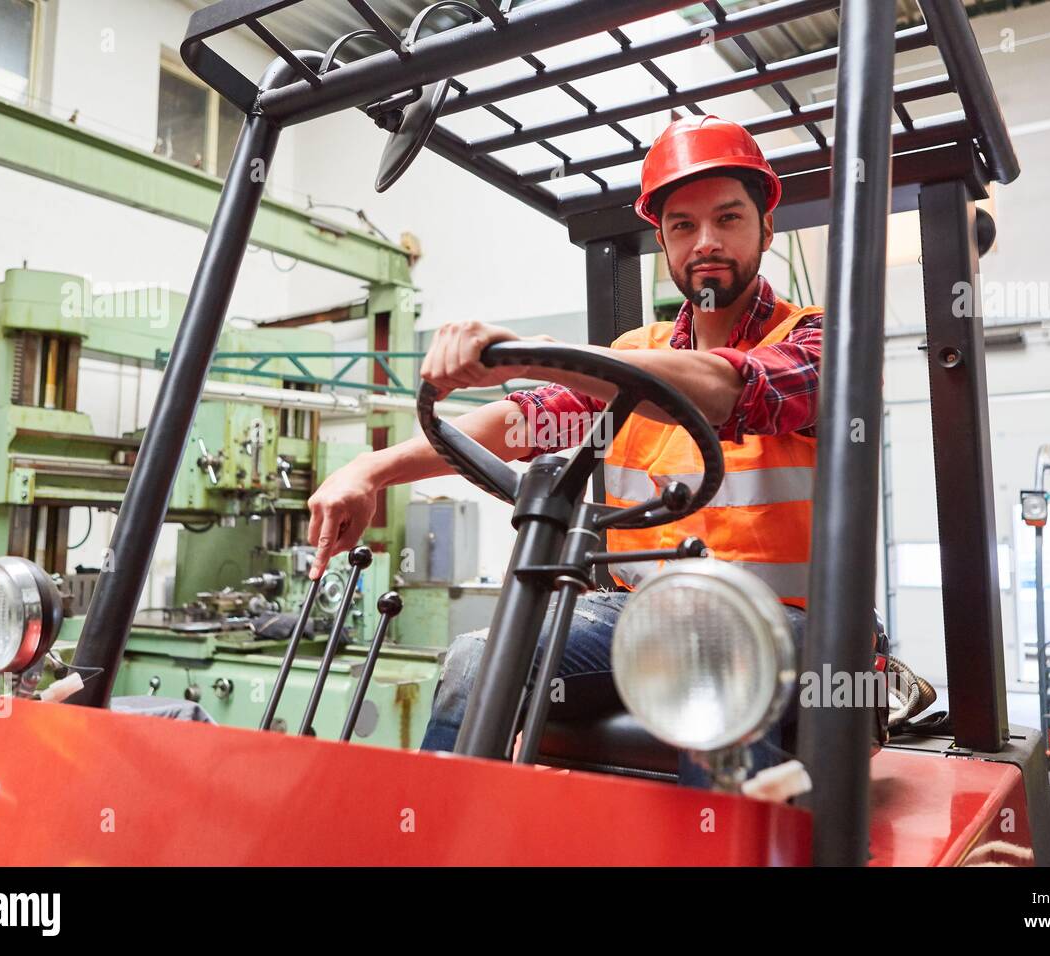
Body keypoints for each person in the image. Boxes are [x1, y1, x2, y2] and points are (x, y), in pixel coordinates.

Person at [306, 115, 826, 786]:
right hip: (637, 613)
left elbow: (734, 391)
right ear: (663, 240)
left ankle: (747, 839)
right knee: (476, 661)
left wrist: (543, 355)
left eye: (728, 219)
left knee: (707, 679)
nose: (706, 242)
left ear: (765, 227)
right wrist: (369, 468)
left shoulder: (815, 339)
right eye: (682, 226)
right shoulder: (632, 356)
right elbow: (522, 424)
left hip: (781, 622)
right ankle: (444, 838)